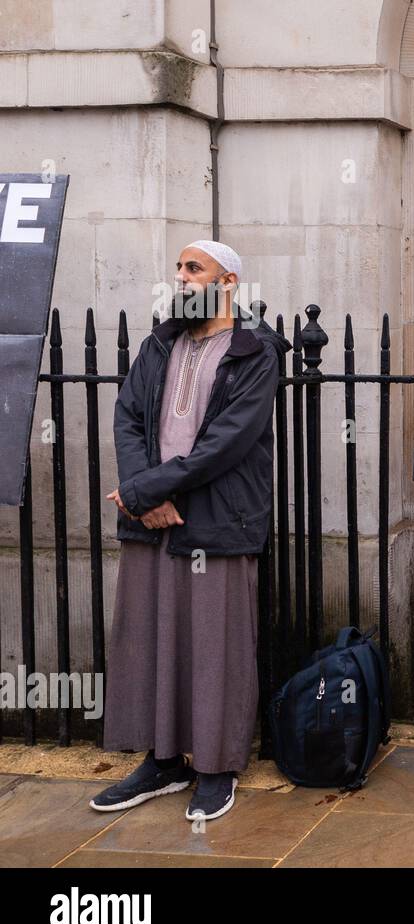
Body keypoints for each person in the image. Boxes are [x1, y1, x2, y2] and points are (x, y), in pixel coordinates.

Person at [89, 240, 290, 821]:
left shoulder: (254, 354)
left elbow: (226, 442)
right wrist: (139, 491)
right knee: (151, 637)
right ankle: (162, 761)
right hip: (153, 520)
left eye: (193, 268)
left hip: (218, 517)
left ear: (227, 283)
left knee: (214, 644)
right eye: (178, 267)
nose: (180, 276)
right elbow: (127, 416)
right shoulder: (159, 343)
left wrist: (148, 490)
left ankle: (214, 768)